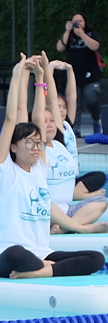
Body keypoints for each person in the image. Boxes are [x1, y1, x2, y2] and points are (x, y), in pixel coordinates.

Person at [0, 55, 105, 279]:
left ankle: (39, 272)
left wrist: (41, 78)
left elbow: (40, 120)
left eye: (37, 143)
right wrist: (17, 74)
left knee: (95, 258)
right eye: (28, 143)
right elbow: (11, 118)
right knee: (15, 253)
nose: (35, 147)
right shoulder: (6, 172)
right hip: (7, 255)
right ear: (13, 147)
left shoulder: (40, 168)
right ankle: (44, 267)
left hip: (43, 252)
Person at [33, 52, 107, 233]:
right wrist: (44, 73)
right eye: (46, 121)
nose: (51, 124)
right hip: (48, 211)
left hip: (68, 211)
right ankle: (76, 227)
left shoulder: (60, 143)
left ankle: (65, 227)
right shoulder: (39, 147)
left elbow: (70, 99)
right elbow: (48, 101)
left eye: (53, 121)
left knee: (102, 203)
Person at [51, 59, 107, 198]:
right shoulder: (53, 128)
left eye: (64, 107)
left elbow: (72, 96)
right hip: (59, 181)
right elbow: (50, 97)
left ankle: (76, 193)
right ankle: (80, 195)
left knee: (99, 176)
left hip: (71, 179)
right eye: (58, 107)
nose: (63, 110)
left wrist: (70, 70)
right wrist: (49, 69)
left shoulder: (67, 125)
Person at [56, 13, 102, 136]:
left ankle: (96, 120)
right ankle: (75, 127)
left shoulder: (90, 34)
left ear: (85, 22)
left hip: (90, 74)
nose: (78, 24)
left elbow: (95, 46)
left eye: (80, 21)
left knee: (91, 98)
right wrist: (67, 31)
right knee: (73, 101)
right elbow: (60, 47)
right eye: (75, 22)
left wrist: (81, 33)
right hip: (73, 74)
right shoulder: (69, 36)